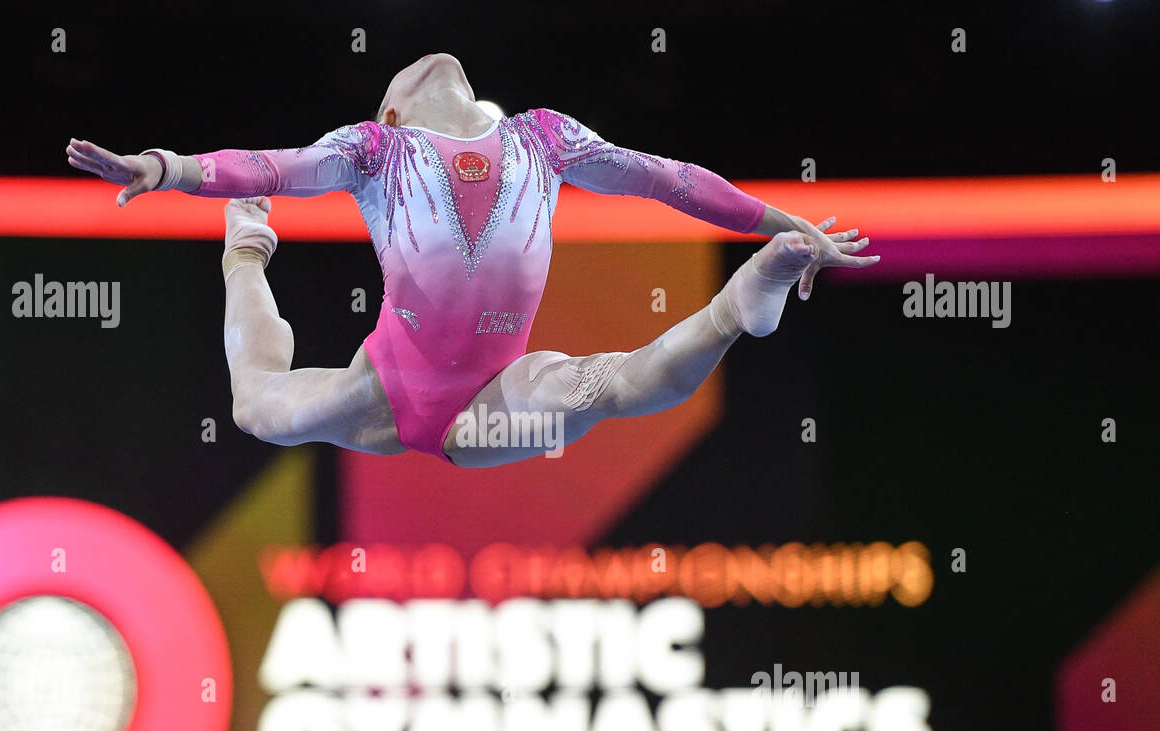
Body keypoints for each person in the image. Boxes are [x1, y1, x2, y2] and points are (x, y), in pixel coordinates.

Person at [66, 53, 878, 466]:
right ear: (390, 108)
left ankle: (747, 297)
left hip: (494, 394)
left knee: (625, 387)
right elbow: (270, 168)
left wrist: (790, 225)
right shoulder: (373, 149)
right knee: (252, 407)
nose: (435, 60)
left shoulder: (547, 137)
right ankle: (247, 249)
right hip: (386, 390)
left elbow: (668, 181)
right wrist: (167, 170)